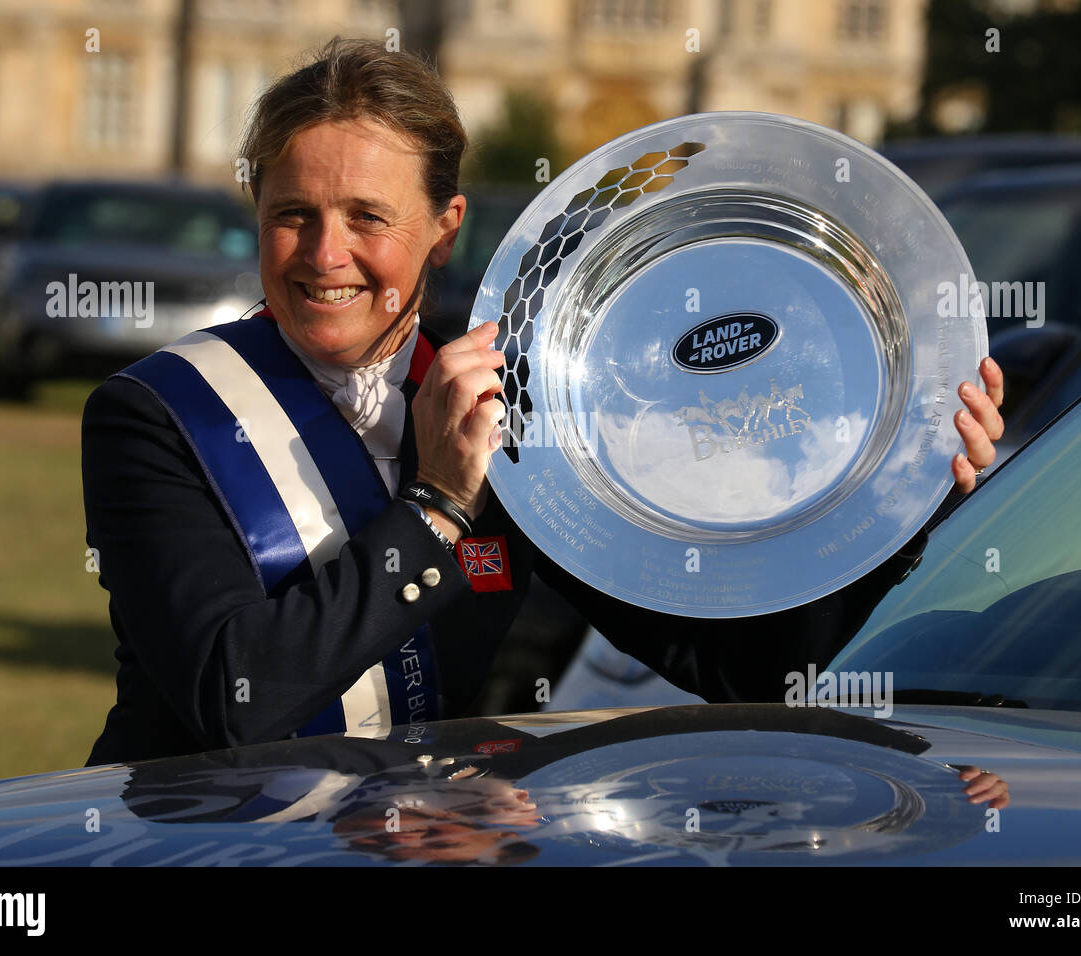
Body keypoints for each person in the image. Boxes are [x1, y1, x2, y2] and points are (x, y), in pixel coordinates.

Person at [82, 37, 1007, 776]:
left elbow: (744, 670)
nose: (326, 254)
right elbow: (234, 698)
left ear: (444, 231)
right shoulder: (159, 416)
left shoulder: (515, 413)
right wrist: (437, 509)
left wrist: (902, 505)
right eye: (294, 213)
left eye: (369, 217)